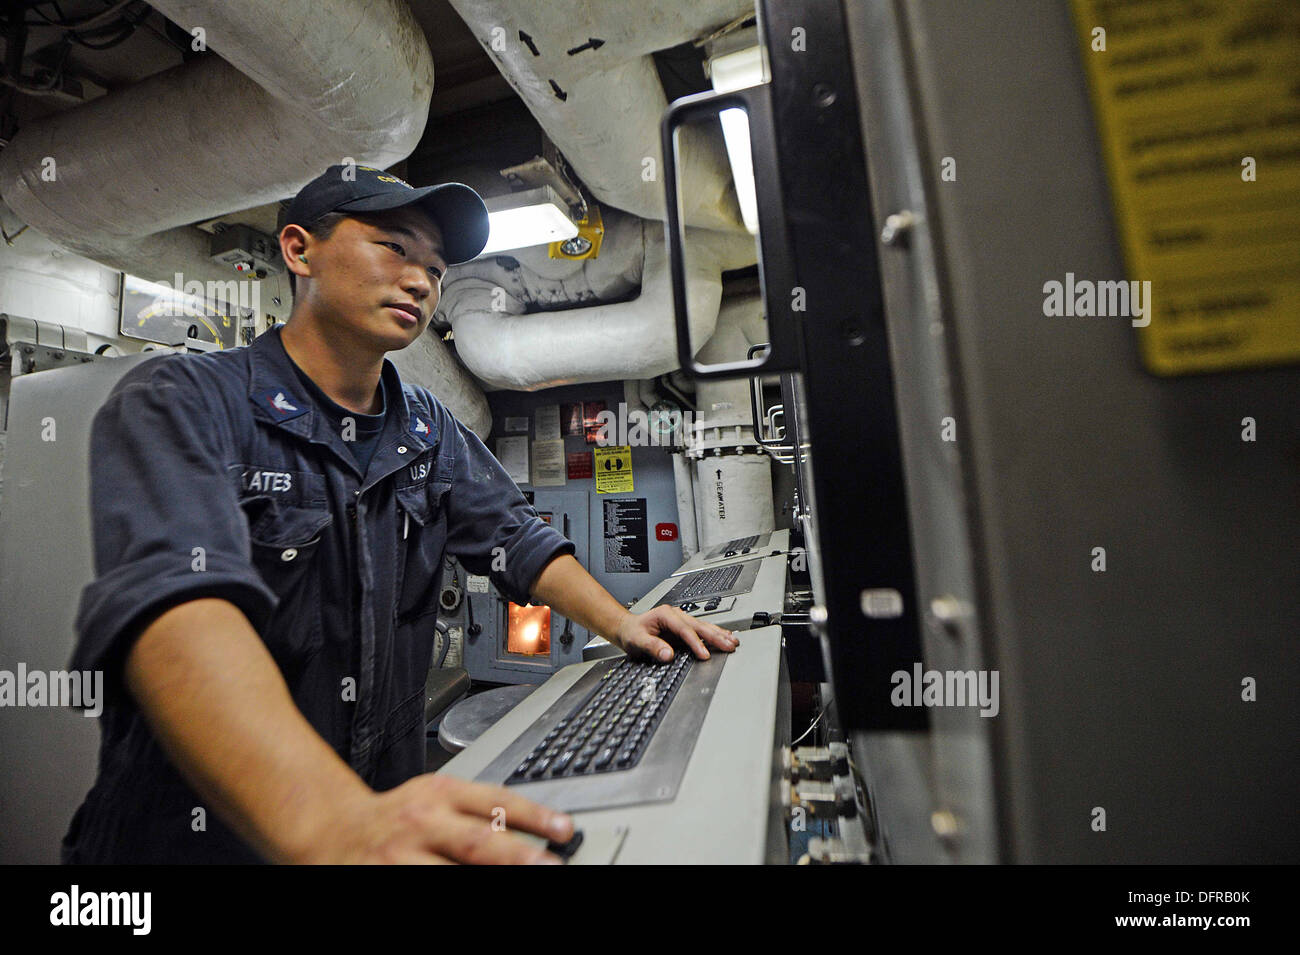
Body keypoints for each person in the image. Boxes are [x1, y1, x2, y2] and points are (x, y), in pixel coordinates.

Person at [62, 163, 738, 864]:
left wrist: (623, 623)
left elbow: (520, 538)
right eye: (394, 247)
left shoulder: (426, 428)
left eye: (437, 268)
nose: (421, 280)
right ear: (300, 250)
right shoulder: (184, 400)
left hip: (370, 824)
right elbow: (179, 616)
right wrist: (333, 820)